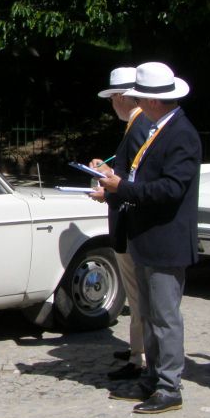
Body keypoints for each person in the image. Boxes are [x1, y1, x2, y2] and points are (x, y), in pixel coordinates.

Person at [98, 61, 201, 414]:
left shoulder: (180, 134)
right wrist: (118, 185)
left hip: (165, 240)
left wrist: (122, 187)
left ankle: (169, 385)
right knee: (150, 313)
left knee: (164, 315)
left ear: (155, 101)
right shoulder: (159, 128)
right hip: (148, 237)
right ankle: (154, 377)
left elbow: (170, 189)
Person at [88, 67, 152, 380]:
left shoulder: (139, 126)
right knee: (136, 290)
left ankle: (140, 356)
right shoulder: (138, 125)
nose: (112, 104)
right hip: (128, 217)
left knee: (137, 292)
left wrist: (107, 191)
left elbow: (133, 179)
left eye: (114, 98)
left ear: (122, 98)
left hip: (130, 222)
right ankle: (136, 348)